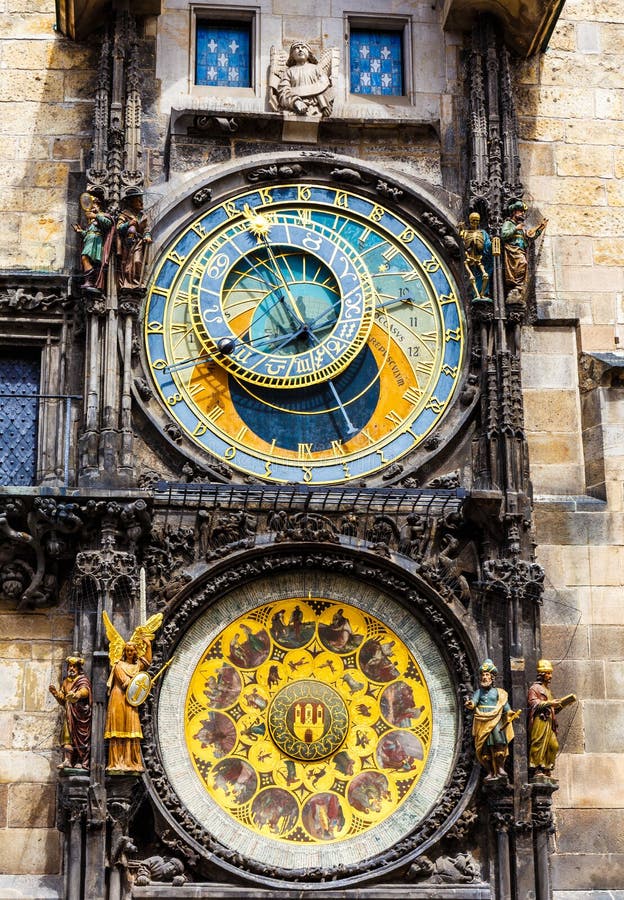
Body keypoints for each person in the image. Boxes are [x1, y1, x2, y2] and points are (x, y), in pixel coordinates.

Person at [465, 659, 519, 779]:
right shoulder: (478, 692)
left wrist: (509, 712)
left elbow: (504, 704)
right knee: (484, 748)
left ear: (492, 677)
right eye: (483, 675)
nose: (485, 677)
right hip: (482, 720)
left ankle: (499, 768)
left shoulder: (498, 692)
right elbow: (473, 702)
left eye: (487, 675)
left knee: (499, 744)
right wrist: (471, 704)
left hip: (495, 720)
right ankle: (489, 771)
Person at [104, 641, 151, 772]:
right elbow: (126, 683)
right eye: (127, 650)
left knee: (132, 728)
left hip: (131, 700)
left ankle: (131, 761)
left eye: (132, 650)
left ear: (135, 652)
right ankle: (116, 762)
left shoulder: (136, 666)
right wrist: (141, 682)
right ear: (124, 652)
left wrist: (148, 645)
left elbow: (147, 662)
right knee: (118, 728)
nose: (130, 653)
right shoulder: (119, 666)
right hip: (119, 698)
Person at [528, 659, 576, 777]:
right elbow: (533, 703)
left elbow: (553, 708)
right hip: (540, 720)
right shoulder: (534, 688)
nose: (550, 676)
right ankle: (537, 768)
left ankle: (547, 767)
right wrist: (550, 703)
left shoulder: (548, 690)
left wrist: (563, 704)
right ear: (542, 674)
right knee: (538, 743)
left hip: (549, 722)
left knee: (553, 745)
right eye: (548, 673)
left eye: (550, 673)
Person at [49, 655, 92, 770]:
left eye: (74, 667)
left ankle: (80, 760)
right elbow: (63, 699)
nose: (71, 669)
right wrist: (56, 693)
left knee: (81, 737)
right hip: (69, 712)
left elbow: (85, 690)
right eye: (70, 666)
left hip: (80, 714)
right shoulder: (65, 682)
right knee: (67, 736)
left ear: (78, 669)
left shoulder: (82, 680)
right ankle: (67, 760)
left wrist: (77, 694)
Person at [501, 200, 547, 296]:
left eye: (523, 212)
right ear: (514, 212)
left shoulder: (521, 227)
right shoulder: (509, 224)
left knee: (523, 264)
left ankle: (518, 286)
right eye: (520, 211)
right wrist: (515, 229)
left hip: (520, 250)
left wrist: (541, 228)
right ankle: (514, 286)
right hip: (512, 251)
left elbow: (530, 237)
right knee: (522, 263)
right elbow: (504, 235)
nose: (522, 214)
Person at [277, 42, 333, 117]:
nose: (300, 50)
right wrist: (295, 102)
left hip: (315, 109)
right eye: (296, 48)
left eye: (303, 47)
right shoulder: (288, 71)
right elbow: (283, 91)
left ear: (309, 53)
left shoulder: (316, 69)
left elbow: (325, 87)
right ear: (292, 55)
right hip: (295, 109)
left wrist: (324, 105)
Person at [73, 192, 113, 290]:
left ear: (98, 205)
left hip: (96, 242)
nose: (92, 208)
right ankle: (90, 281)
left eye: (94, 205)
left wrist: (96, 216)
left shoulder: (103, 215)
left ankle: (90, 280)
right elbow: (88, 233)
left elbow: (108, 224)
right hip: (90, 241)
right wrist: (80, 231)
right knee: (86, 259)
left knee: (85, 258)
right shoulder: (91, 222)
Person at [116, 187, 152, 291]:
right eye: (138, 201)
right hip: (128, 243)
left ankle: (136, 282)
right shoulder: (125, 214)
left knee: (137, 261)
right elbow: (119, 228)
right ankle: (128, 283)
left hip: (139, 242)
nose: (141, 203)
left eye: (141, 200)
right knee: (128, 263)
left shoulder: (142, 216)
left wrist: (147, 236)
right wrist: (128, 224)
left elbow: (146, 229)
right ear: (132, 203)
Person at [459, 211, 492, 299]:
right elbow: (462, 245)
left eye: (477, 220)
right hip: (469, 259)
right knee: (473, 277)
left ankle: (482, 293)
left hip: (480, 258)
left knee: (485, 275)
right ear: (470, 221)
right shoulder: (466, 232)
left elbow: (487, 243)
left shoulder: (483, 233)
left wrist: (492, 243)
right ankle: (476, 294)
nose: (475, 222)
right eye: (473, 220)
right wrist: (461, 231)